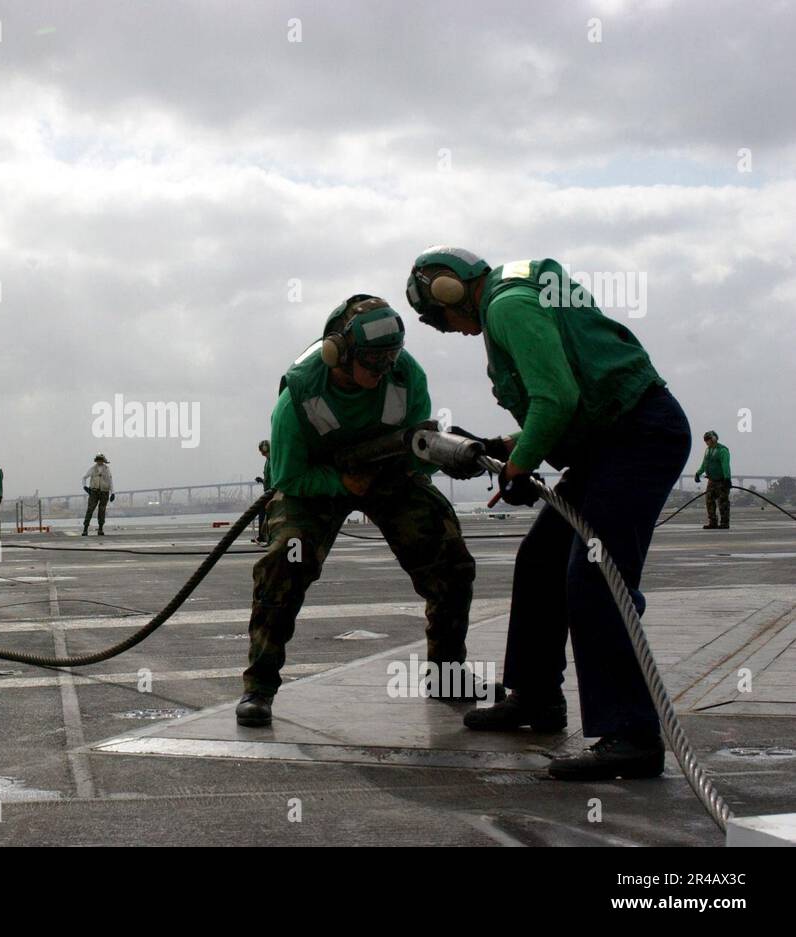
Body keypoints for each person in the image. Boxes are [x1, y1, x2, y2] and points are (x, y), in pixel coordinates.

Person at [406, 247, 691, 781]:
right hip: (608, 443)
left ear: (448, 290)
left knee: (596, 579)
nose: (453, 332)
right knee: (540, 561)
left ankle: (632, 735)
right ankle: (536, 698)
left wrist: (519, 466)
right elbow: (571, 399)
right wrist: (507, 448)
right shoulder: (520, 293)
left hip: (636, 438)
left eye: (441, 321)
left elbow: (555, 397)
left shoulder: (505, 306)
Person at [236, 294, 478, 729]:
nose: (383, 370)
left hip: (386, 472)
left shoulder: (406, 376)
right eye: (372, 361)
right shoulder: (299, 395)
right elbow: (288, 479)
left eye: (390, 358)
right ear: (340, 354)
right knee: (286, 559)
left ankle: (448, 674)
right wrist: (341, 483)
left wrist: (442, 456)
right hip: (313, 481)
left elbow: (416, 447)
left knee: (450, 560)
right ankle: (259, 686)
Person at [694, 431, 732, 529]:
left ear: (714, 439)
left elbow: (725, 465)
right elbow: (704, 464)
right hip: (711, 481)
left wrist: (727, 478)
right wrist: (698, 473)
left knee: (723, 502)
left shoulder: (722, 450)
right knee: (709, 501)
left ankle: (724, 523)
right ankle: (713, 522)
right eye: (706, 440)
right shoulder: (708, 451)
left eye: (708, 440)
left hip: (722, 481)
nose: (707, 442)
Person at [81, 453, 114, 536]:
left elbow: (110, 481)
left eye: (101, 460)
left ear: (103, 460)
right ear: (96, 460)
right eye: (98, 460)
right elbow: (84, 477)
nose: (100, 461)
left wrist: (112, 492)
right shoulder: (92, 469)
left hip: (104, 492)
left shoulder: (107, 469)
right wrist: (85, 487)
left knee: (102, 511)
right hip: (94, 491)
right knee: (90, 510)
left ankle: (100, 529)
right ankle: (85, 529)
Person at [253, 440, 271, 544]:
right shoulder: (268, 461)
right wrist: (262, 480)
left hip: (272, 492)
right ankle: (262, 535)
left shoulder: (272, 460)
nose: (262, 453)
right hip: (268, 491)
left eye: (263, 451)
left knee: (264, 511)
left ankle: (263, 535)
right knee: (262, 511)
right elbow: (268, 478)